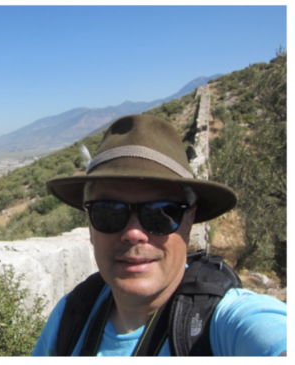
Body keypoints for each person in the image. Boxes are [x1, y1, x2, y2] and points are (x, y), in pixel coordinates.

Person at [32, 114, 286, 356]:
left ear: (189, 220)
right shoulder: (71, 314)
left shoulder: (227, 322)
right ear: (89, 224)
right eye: (109, 212)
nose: (133, 233)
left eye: (161, 213)